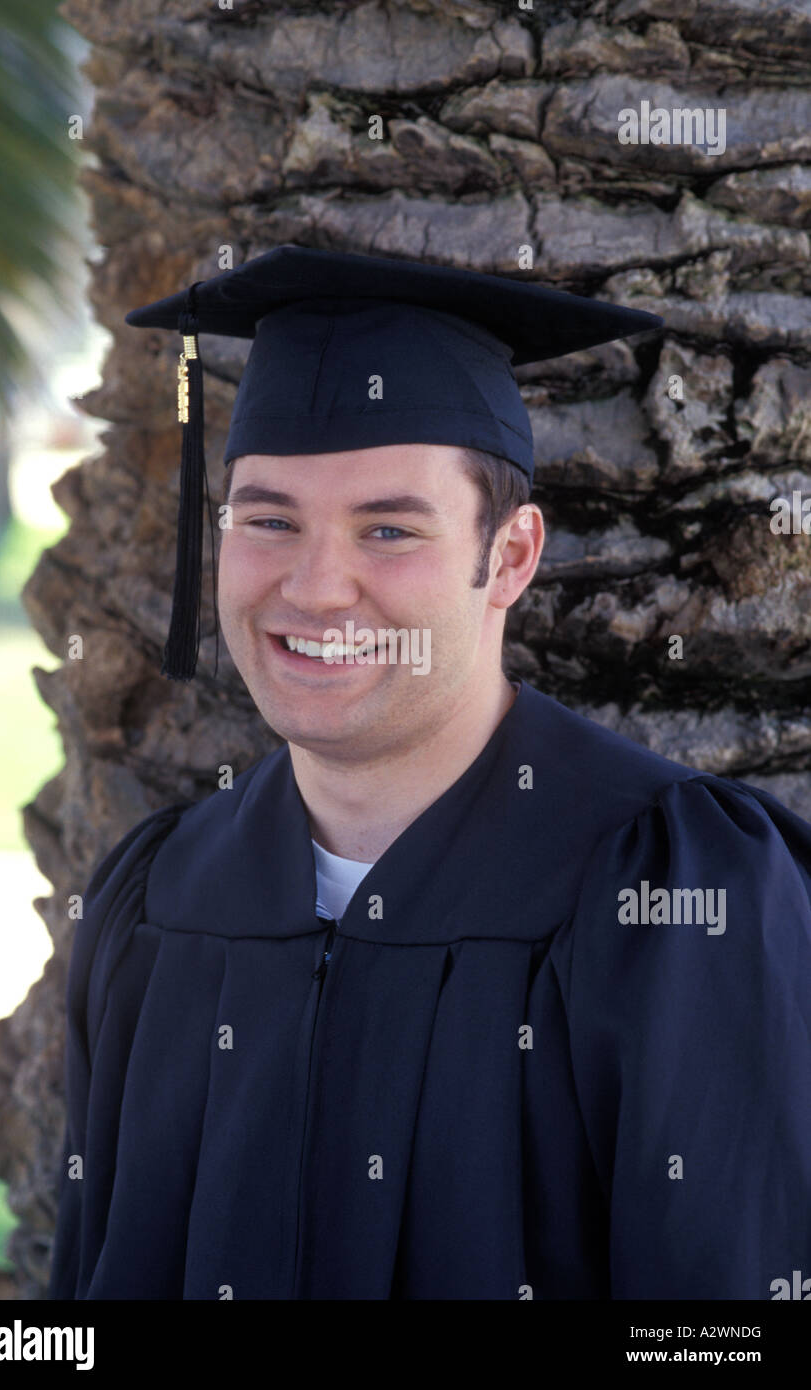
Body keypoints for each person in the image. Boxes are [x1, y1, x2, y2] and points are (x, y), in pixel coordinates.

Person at [47, 245, 811, 1300]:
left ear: (511, 556)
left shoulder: (672, 891)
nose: (317, 588)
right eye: (270, 520)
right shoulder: (155, 901)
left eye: (389, 529)